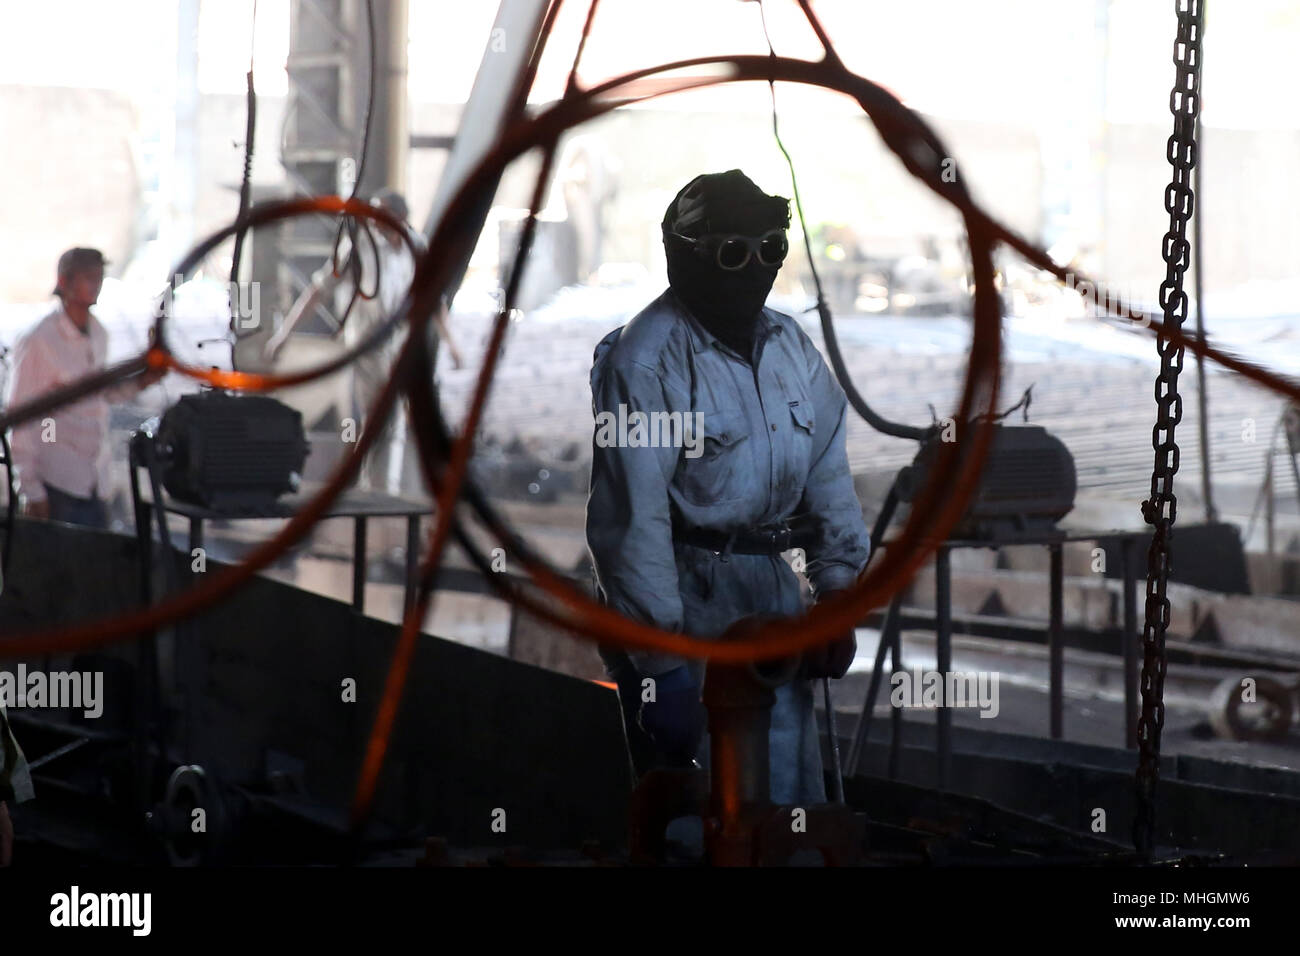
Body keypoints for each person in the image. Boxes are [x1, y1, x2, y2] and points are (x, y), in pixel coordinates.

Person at [586, 170, 870, 806]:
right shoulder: (645, 361)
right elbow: (632, 522)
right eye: (732, 253)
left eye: (769, 250)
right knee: (701, 818)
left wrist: (836, 595)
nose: (753, 270)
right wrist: (663, 667)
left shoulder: (789, 347)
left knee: (787, 803)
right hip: (685, 603)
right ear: (687, 256)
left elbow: (828, 475)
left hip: (770, 596)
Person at [264, 188, 425, 496]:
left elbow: (431, 295)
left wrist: (449, 343)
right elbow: (319, 290)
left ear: (400, 218)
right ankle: (375, 488)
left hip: (402, 341)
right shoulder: (358, 248)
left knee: (397, 416)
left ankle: (380, 486)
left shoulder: (415, 246)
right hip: (368, 343)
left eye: (382, 213)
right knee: (378, 410)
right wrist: (284, 333)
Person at [7, 248, 166, 529]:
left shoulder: (98, 333)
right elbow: (20, 415)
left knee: (94, 567)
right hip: (55, 481)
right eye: (88, 278)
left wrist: (143, 380)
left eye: (99, 277)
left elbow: (100, 395)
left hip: (94, 480)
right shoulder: (39, 340)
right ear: (65, 282)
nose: (97, 284)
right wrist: (30, 487)